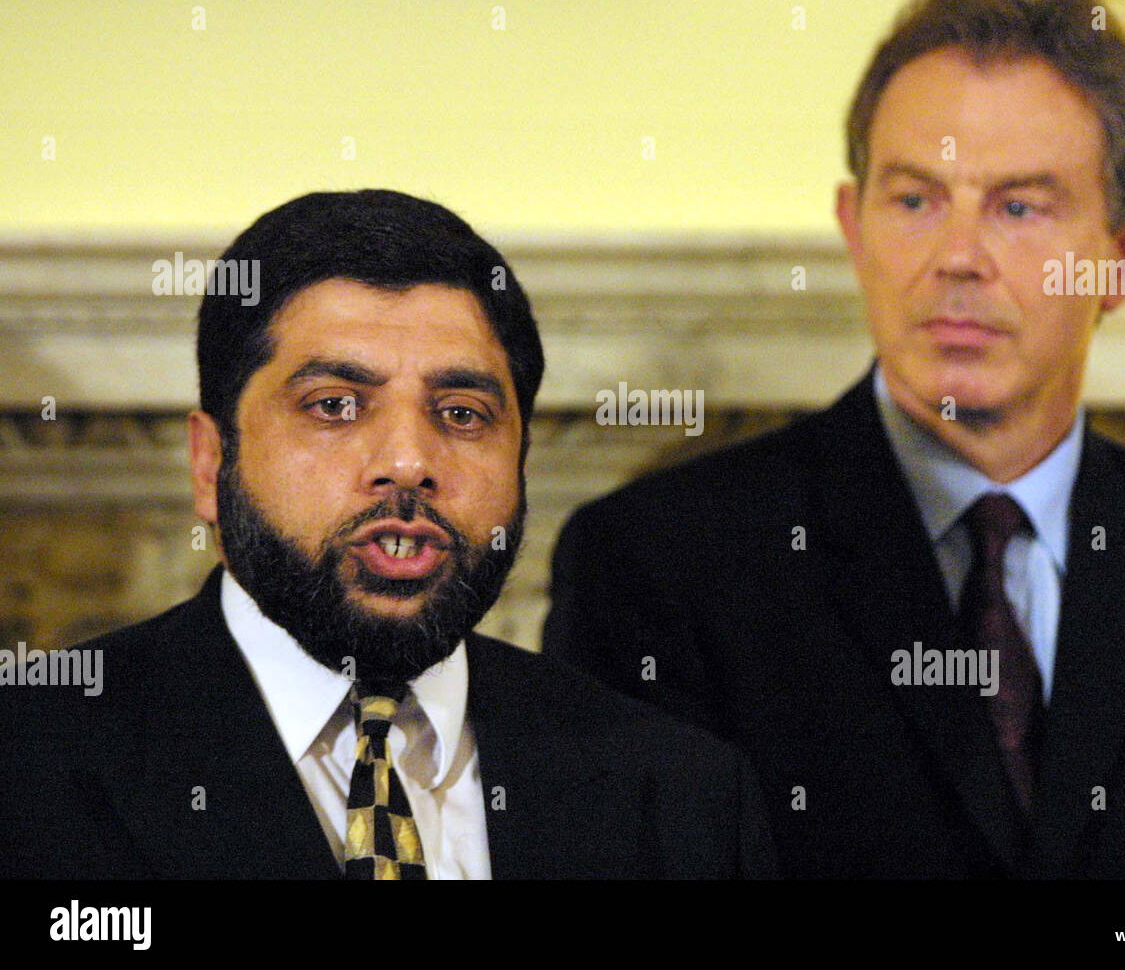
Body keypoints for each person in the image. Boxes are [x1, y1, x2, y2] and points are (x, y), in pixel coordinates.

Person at [543, 0, 1125, 879]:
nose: (956, 258)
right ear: (852, 228)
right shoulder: (659, 568)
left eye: (1020, 207)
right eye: (915, 200)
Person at [0, 189, 775, 880]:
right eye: (335, 405)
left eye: (462, 414)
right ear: (210, 463)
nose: (408, 463)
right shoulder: (28, 761)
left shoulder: (679, 798)